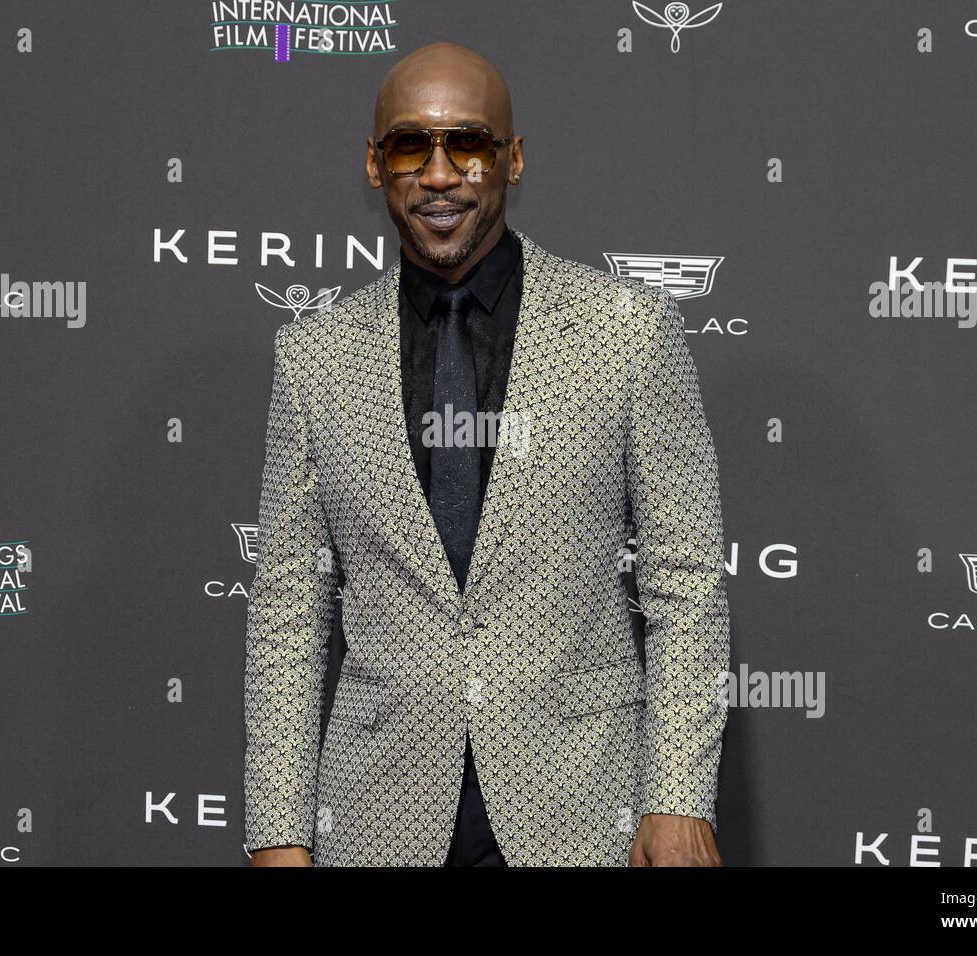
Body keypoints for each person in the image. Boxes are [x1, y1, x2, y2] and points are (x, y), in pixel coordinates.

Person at [244, 41, 729, 866]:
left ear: (513, 157)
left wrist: (677, 797)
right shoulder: (314, 358)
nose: (440, 175)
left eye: (468, 143)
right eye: (410, 146)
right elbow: (288, 609)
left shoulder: (627, 333)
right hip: (377, 813)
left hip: (584, 808)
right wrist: (279, 832)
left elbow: (684, 581)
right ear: (374, 165)